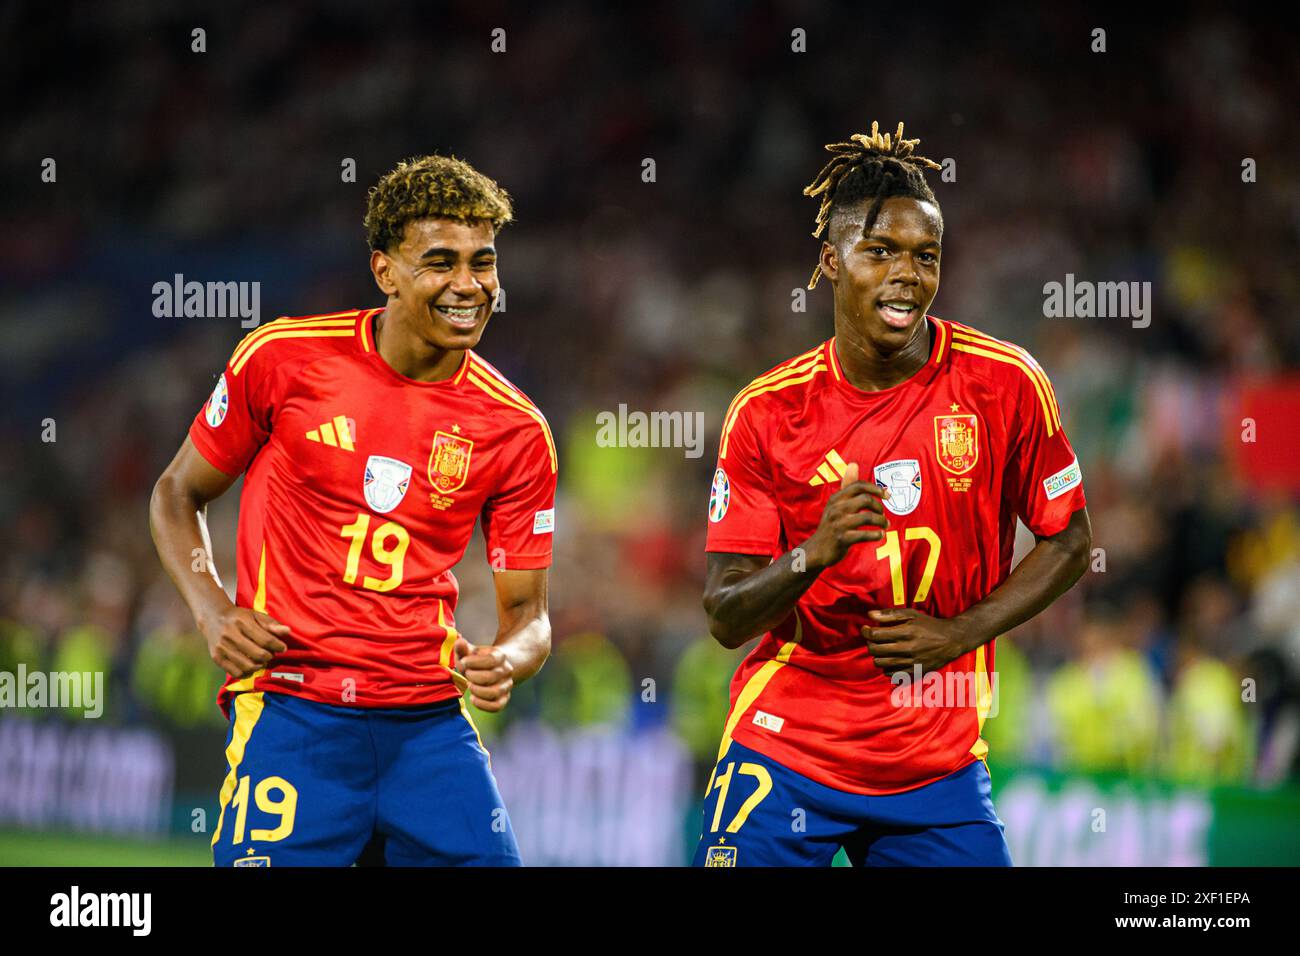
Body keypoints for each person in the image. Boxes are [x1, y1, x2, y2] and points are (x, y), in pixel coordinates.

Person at [696, 122, 1091, 866]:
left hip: (934, 760)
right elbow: (723, 615)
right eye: (881, 252)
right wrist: (812, 554)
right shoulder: (766, 411)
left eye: (925, 255)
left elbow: (1070, 541)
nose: (906, 273)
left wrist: (958, 634)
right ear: (831, 263)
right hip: (788, 750)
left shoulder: (1004, 384)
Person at [150, 155, 556, 866]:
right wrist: (212, 608)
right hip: (293, 707)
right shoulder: (284, 360)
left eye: (483, 262)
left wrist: (506, 659)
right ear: (384, 271)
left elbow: (532, 616)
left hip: (429, 726)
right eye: (440, 262)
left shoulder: (514, 428)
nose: (469, 285)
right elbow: (177, 494)